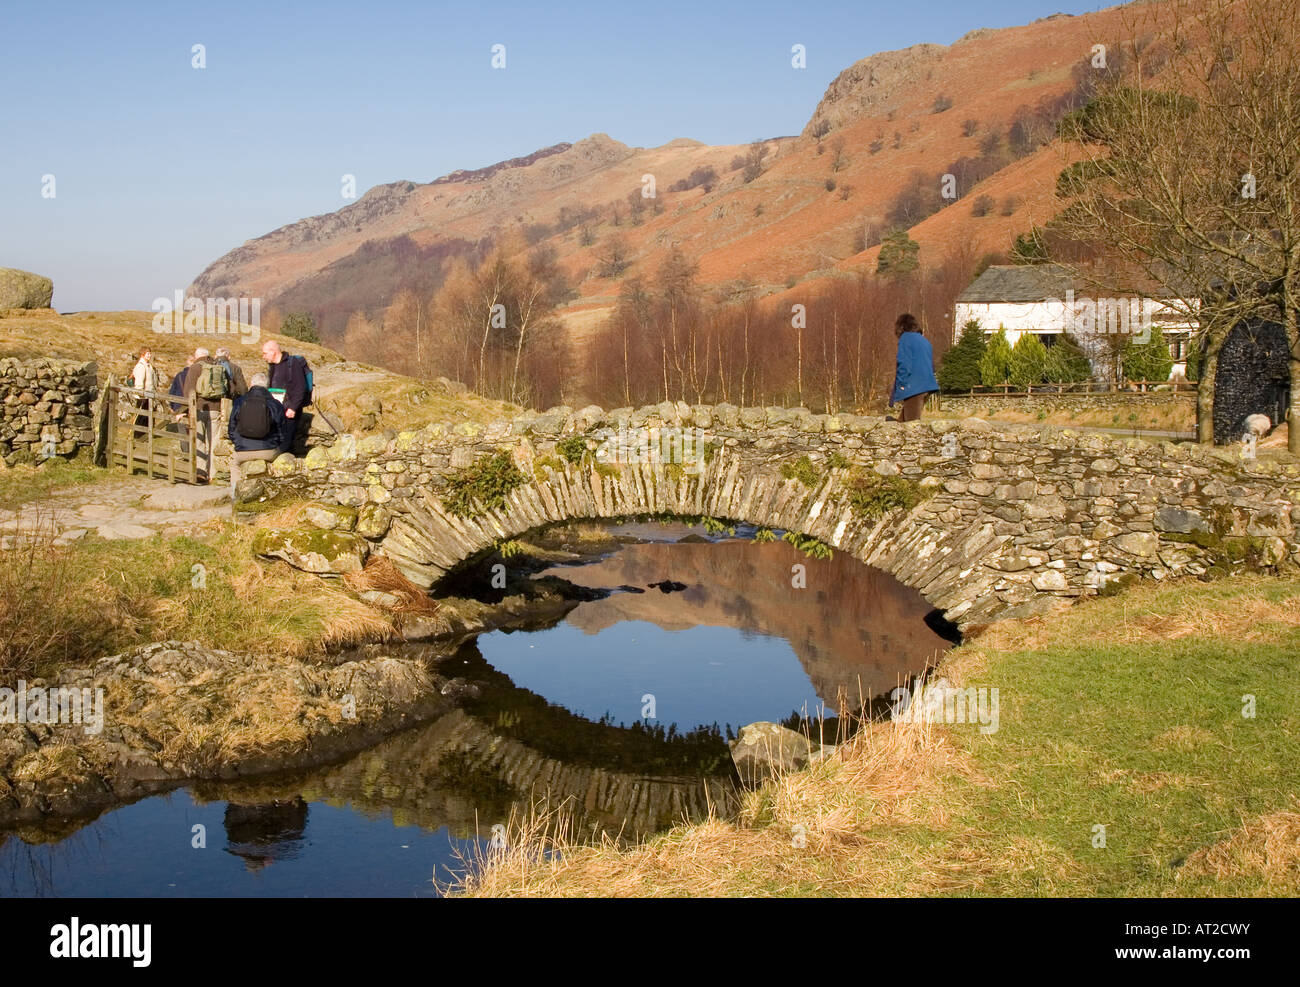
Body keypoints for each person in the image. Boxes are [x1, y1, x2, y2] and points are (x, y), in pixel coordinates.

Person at [228, 372, 288, 494]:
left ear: (251, 384)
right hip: (269, 451)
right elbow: (282, 430)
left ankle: (235, 495)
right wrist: (276, 444)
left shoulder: (239, 402)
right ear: (267, 386)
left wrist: (239, 443)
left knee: (234, 464)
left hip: (242, 451)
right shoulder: (275, 404)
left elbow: (231, 428)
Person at [181, 347, 223, 481]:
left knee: (199, 440)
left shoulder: (195, 368)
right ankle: (214, 474)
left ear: (196, 356)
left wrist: (185, 411)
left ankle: (201, 472)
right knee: (214, 441)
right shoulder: (218, 366)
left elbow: (188, 391)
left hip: (199, 408)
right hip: (216, 409)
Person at [891, 313, 939, 423]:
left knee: (911, 425)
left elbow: (904, 364)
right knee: (902, 422)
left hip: (914, 386)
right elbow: (931, 366)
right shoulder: (924, 341)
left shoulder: (905, 339)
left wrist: (901, 384)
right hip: (928, 385)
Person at [262, 339, 308, 454]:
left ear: (273, 352)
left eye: (265, 353)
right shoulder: (272, 366)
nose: (263, 356)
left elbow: (300, 387)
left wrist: (293, 408)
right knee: (277, 443)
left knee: (285, 446)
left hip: (289, 412)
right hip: (276, 411)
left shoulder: (292, 364)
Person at [131, 347, 156, 430]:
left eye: (150, 353)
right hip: (142, 397)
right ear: (143, 354)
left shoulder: (149, 366)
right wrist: (141, 395)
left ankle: (145, 437)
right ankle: (138, 437)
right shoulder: (141, 366)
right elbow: (139, 383)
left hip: (148, 396)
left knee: (147, 419)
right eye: (148, 353)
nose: (150, 355)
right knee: (141, 419)